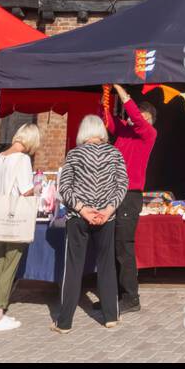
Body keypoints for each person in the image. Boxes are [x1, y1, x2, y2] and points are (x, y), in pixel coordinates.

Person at [53, 115, 129, 333]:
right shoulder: (115, 153)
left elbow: (64, 188)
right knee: (106, 266)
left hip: (78, 218)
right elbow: (122, 184)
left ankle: (64, 321)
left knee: (73, 268)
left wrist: (82, 208)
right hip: (107, 218)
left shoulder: (74, 154)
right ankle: (111, 316)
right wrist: (108, 210)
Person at [106, 83, 158, 314]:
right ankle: (114, 295)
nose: (136, 118)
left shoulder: (148, 134)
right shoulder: (124, 132)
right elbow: (107, 120)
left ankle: (131, 298)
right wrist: (106, 94)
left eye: (142, 116)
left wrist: (120, 89)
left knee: (123, 246)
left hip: (129, 196)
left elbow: (135, 116)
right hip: (113, 193)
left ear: (149, 120)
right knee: (111, 245)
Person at [0, 122, 41, 332]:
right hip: (15, 218)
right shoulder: (23, 159)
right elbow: (25, 190)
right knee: (10, 265)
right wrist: (37, 189)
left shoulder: (1, 156)